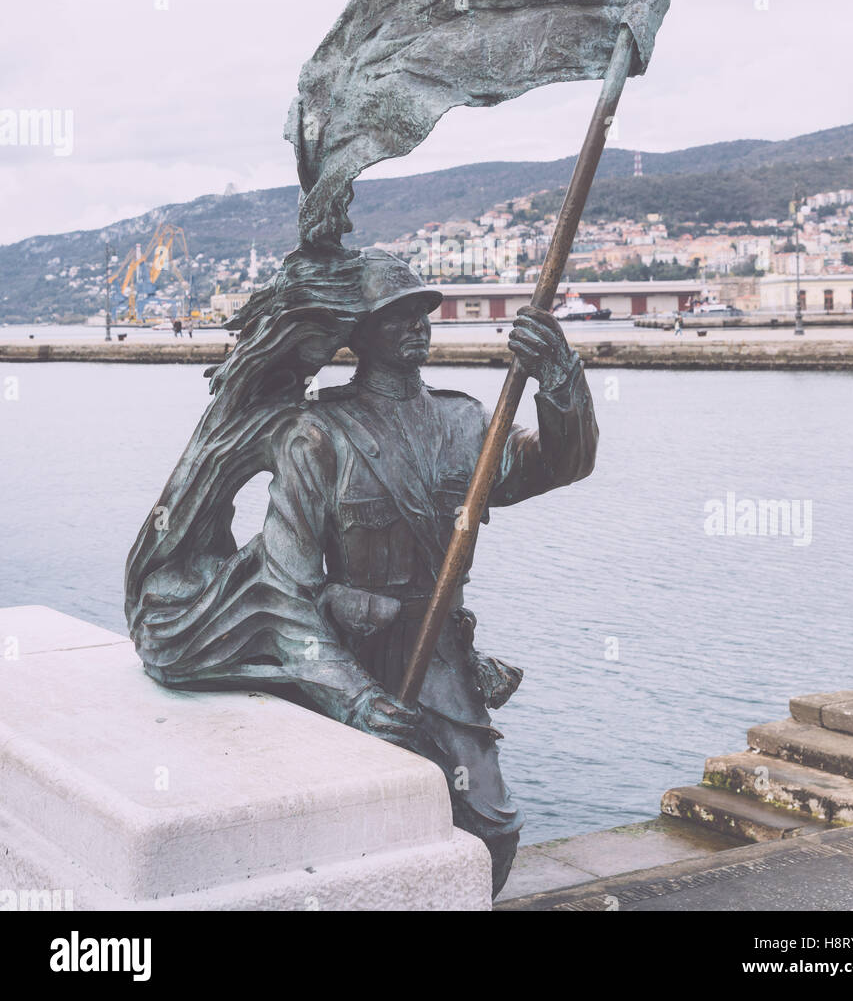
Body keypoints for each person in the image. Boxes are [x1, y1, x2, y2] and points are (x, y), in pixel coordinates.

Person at [126, 249, 598, 897]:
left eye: (421, 313)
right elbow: (285, 590)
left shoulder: (464, 422)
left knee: (493, 823)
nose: (417, 326)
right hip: (351, 648)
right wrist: (354, 697)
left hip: (439, 657)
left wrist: (559, 379)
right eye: (395, 317)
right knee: (361, 828)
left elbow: (560, 463)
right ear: (358, 334)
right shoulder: (317, 434)